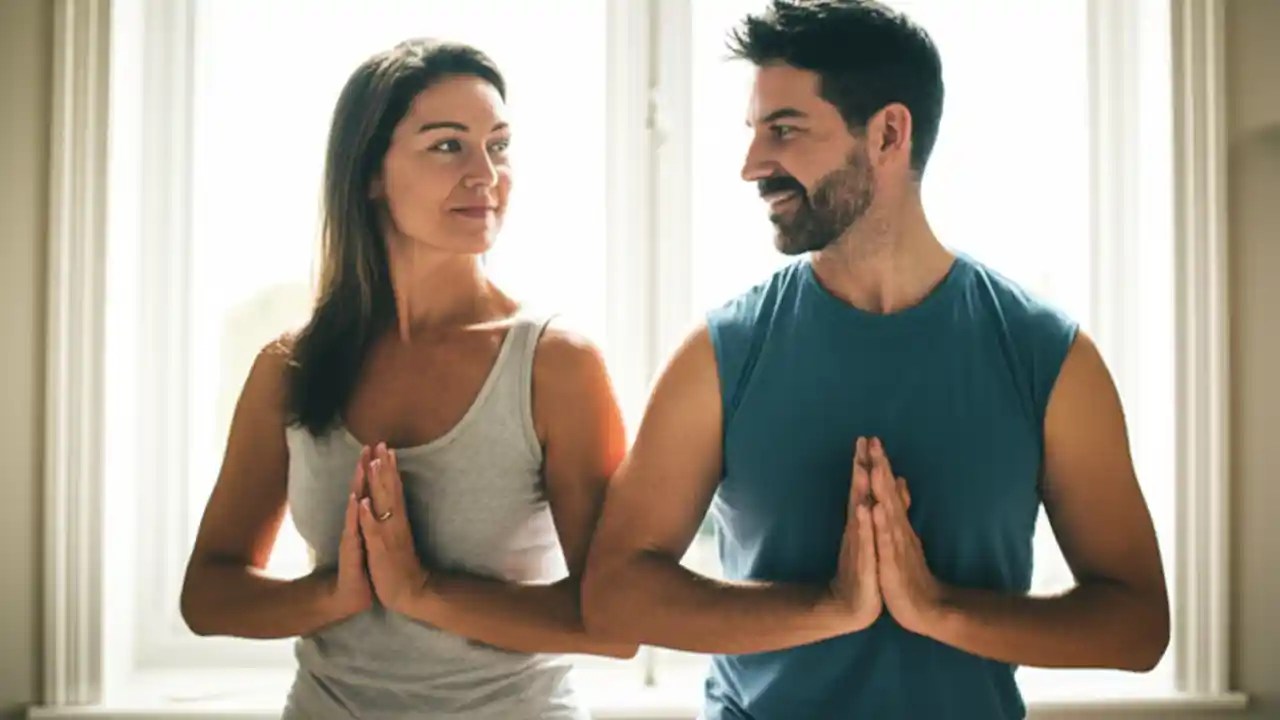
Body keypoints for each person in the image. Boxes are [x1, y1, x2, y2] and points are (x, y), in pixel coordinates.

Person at [581, 2, 1170, 718]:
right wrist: (831, 608)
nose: (751, 166)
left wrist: (937, 607)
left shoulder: (1049, 358)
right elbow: (612, 597)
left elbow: (1139, 626)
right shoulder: (719, 356)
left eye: (785, 130)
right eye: (755, 132)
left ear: (889, 133)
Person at [180, 38, 634, 720]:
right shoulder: (291, 368)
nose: (487, 174)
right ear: (369, 173)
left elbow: (617, 622)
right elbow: (207, 596)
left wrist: (422, 591)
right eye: (448, 145)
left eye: (499, 145)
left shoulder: (556, 364)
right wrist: (336, 595)